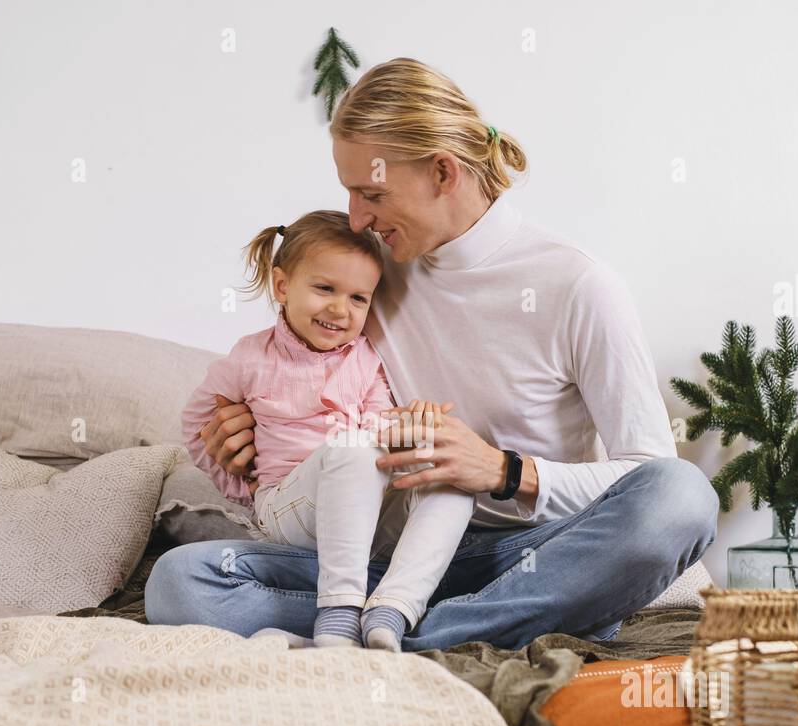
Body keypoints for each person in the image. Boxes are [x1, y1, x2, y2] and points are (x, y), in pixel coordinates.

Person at [146, 58, 719, 652]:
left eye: (371, 193)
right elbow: (298, 358)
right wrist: (246, 428)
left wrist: (503, 472)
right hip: (383, 557)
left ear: (443, 173)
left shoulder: (578, 285)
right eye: (349, 194)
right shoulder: (372, 269)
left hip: (524, 559)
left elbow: (645, 473)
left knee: (682, 498)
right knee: (181, 583)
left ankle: (429, 633)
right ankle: (428, 625)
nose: (356, 217)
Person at [180, 210, 472, 650]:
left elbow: (380, 430)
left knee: (452, 472)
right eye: (324, 289)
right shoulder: (251, 358)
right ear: (282, 286)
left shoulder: (367, 358)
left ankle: (393, 607)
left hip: (362, 512)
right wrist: (243, 488)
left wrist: (414, 423)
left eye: (359, 298)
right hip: (289, 505)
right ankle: (337, 614)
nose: (340, 309)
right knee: (353, 449)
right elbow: (196, 425)